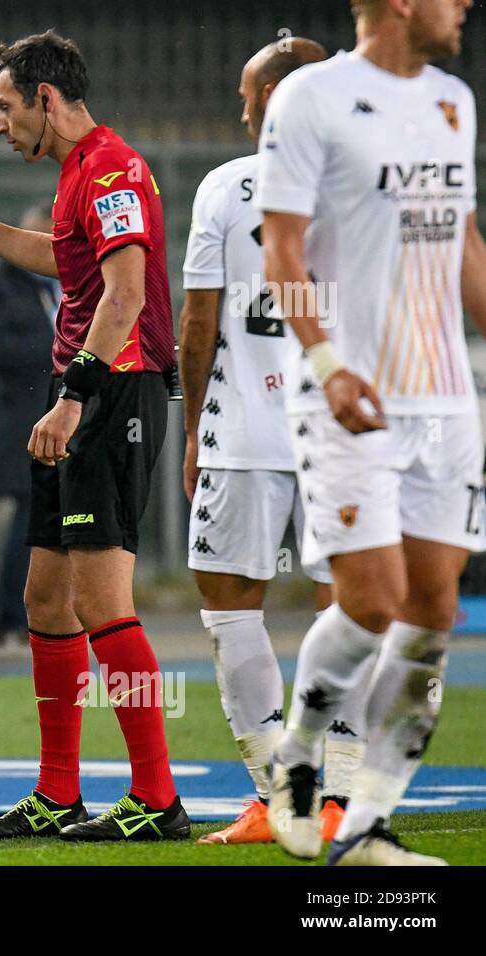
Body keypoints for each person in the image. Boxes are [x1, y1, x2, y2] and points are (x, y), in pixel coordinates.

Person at [0, 30, 188, 842]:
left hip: (113, 395)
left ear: (46, 101)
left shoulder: (114, 167)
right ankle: (58, 793)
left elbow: (125, 295)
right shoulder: (75, 176)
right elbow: (68, 262)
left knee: (100, 602)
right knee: (45, 600)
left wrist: (73, 400)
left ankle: (157, 801)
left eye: (3, 105)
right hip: (86, 393)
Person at [258, 0, 482, 865]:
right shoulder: (311, 97)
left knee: (431, 614)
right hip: (346, 390)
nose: (462, 6)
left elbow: (461, 243)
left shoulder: (455, 100)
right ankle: (299, 753)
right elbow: (282, 245)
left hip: (447, 402)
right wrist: (322, 362)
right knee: (373, 600)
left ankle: (367, 826)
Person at [180, 37, 374, 847]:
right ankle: (344, 798)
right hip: (341, 422)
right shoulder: (367, 184)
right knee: (349, 604)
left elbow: (197, 324)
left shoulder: (226, 189)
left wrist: (193, 425)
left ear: (271, 102)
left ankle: (277, 800)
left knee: (229, 604)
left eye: (246, 96)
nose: (240, 109)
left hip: (248, 429)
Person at [0, 203, 59, 647]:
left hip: (76, 418)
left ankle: (41, 612)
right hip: (24, 419)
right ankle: (12, 614)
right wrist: (61, 347)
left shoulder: (75, 286)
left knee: (53, 517)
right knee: (29, 515)